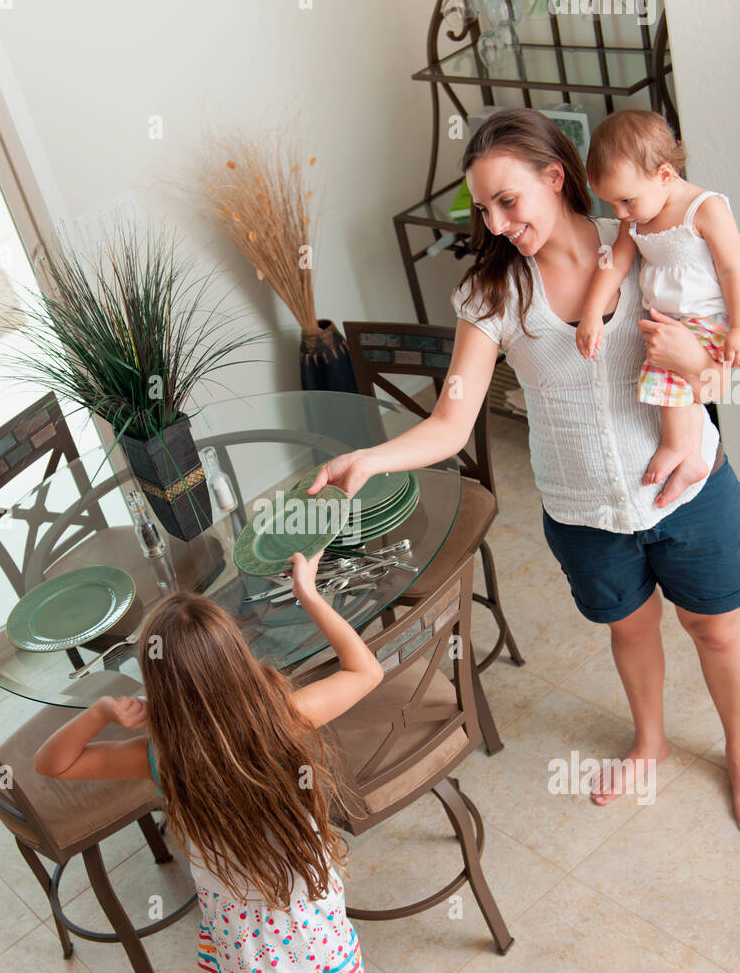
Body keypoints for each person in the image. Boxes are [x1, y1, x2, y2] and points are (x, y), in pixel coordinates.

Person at [309, 108, 740, 821]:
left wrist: (701, 363)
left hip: (690, 491)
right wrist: (371, 459)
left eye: (509, 201)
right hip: (585, 511)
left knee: (718, 630)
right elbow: (451, 421)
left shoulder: (645, 240)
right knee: (630, 628)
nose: (499, 223)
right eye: (484, 209)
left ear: (555, 176)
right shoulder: (491, 295)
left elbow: (723, 359)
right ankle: (652, 742)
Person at [33, 551, 405, 973]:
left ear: (159, 687)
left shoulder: (161, 756)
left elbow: (53, 764)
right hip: (304, 903)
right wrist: (310, 596)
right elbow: (366, 672)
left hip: (232, 917)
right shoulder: (283, 716)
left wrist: (102, 711)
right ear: (236, 661)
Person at [576, 109, 740, 507]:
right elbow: (613, 264)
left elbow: (732, 266)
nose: (619, 213)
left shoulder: (703, 208)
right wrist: (592, 313)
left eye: (626, 200)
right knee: (672, 385)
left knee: (674, 381)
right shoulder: (636, 220)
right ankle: (692, 454)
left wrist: (737, 325)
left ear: (665, 175)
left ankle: (679, 448)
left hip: (708, 318)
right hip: (671, 321)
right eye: (610, 203)